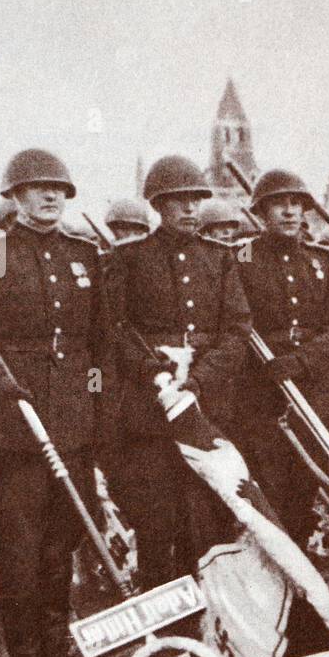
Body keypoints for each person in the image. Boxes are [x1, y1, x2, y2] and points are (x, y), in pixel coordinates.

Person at [0, 148, 107, 657]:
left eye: (59, 189)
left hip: (71, 422)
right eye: (37, 188)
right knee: (18, 549)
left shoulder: (84, 255)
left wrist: (93, 403)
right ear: (13, 197)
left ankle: (60, 653)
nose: (50, 196)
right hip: (13, 428)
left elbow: (99, 342)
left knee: (61, 543)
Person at [104, 155, 250, 593]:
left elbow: (237, 330)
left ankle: (210, 613)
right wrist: (154, 370)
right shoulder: (129, 258)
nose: (189, 210)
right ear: (157, 205)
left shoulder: (220, 259)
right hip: (152, 412)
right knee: (157, 520)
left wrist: (200, 379)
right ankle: (166, 626)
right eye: (177, 201)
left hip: (207, 406)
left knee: (205, 516)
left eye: (194, 200)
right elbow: (115, 329)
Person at [233, 169, 329, 549]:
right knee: (267, 488)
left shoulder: (322, 259)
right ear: (262, 212)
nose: (289, 212)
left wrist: (302, 362)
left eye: (296, 204)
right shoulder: (241, 255)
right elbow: (233, 324)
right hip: (261, 394)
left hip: (313, 390)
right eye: (278, 205)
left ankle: (303, 584)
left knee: (305, 488)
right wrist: (266, 365)